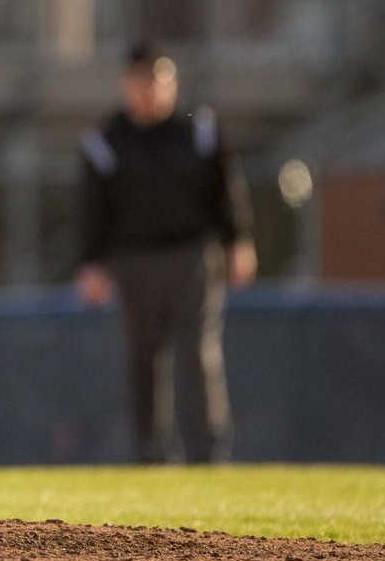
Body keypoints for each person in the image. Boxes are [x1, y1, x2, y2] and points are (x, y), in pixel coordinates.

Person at [75, 43, 256, 464]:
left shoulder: (199, 131)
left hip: (190, 256)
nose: (150, 89)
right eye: (141, 80)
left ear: (172, 82)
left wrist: (238, 240)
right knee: (142, 360)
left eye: (158, 78)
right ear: (126, 85)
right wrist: (91, 263)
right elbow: (91, 209)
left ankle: (208, 454)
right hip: (132, 260)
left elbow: (227, 192)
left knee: (198, 358)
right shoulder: (106, 141)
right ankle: (151, 456)